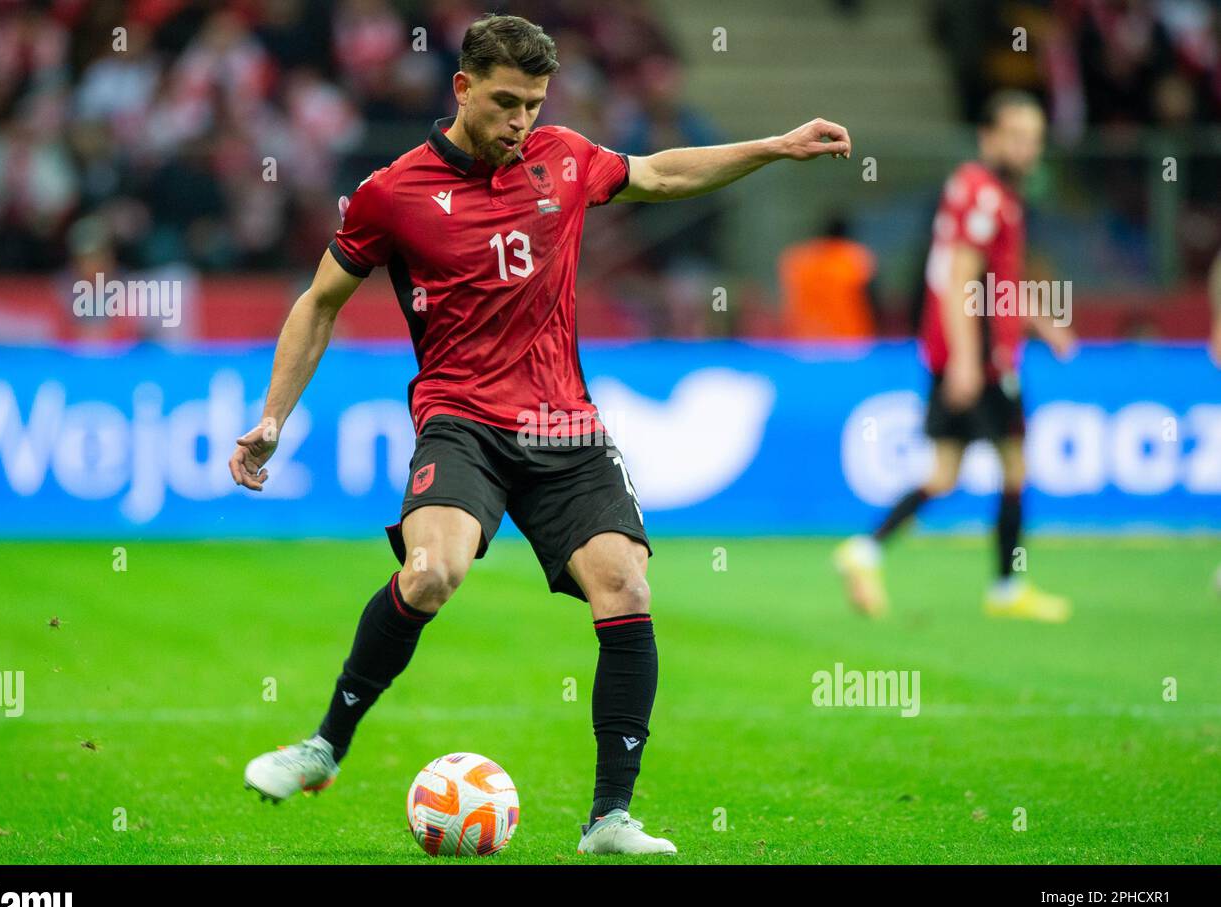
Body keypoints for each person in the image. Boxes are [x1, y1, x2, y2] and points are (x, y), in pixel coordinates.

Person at [229, 14, 851, 855]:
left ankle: (609, 819)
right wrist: (273, 416)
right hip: (461, 420)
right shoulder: (393, 193)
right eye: (504, 103)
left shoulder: (563, 155)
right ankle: (322, 747)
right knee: (431, 571)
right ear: (462, 89)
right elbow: (319, 303)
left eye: (532, 105)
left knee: (626, 585)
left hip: (565, 423)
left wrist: (775, 145)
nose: (519, 122)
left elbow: (663, 174)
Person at [835, 90, 1073, 622]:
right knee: (1015, 466)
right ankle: (1007, 588)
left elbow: (994, 281)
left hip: (969, 351)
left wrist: (1042, 324)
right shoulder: (987, 197)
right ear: (988, 138)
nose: (1028, 148)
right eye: (1016, 136)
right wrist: (967, 359)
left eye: (1034, 138)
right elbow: (961, 280)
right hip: (983, 357)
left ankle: (864, 549)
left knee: (945, 473)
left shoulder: (978, 191)